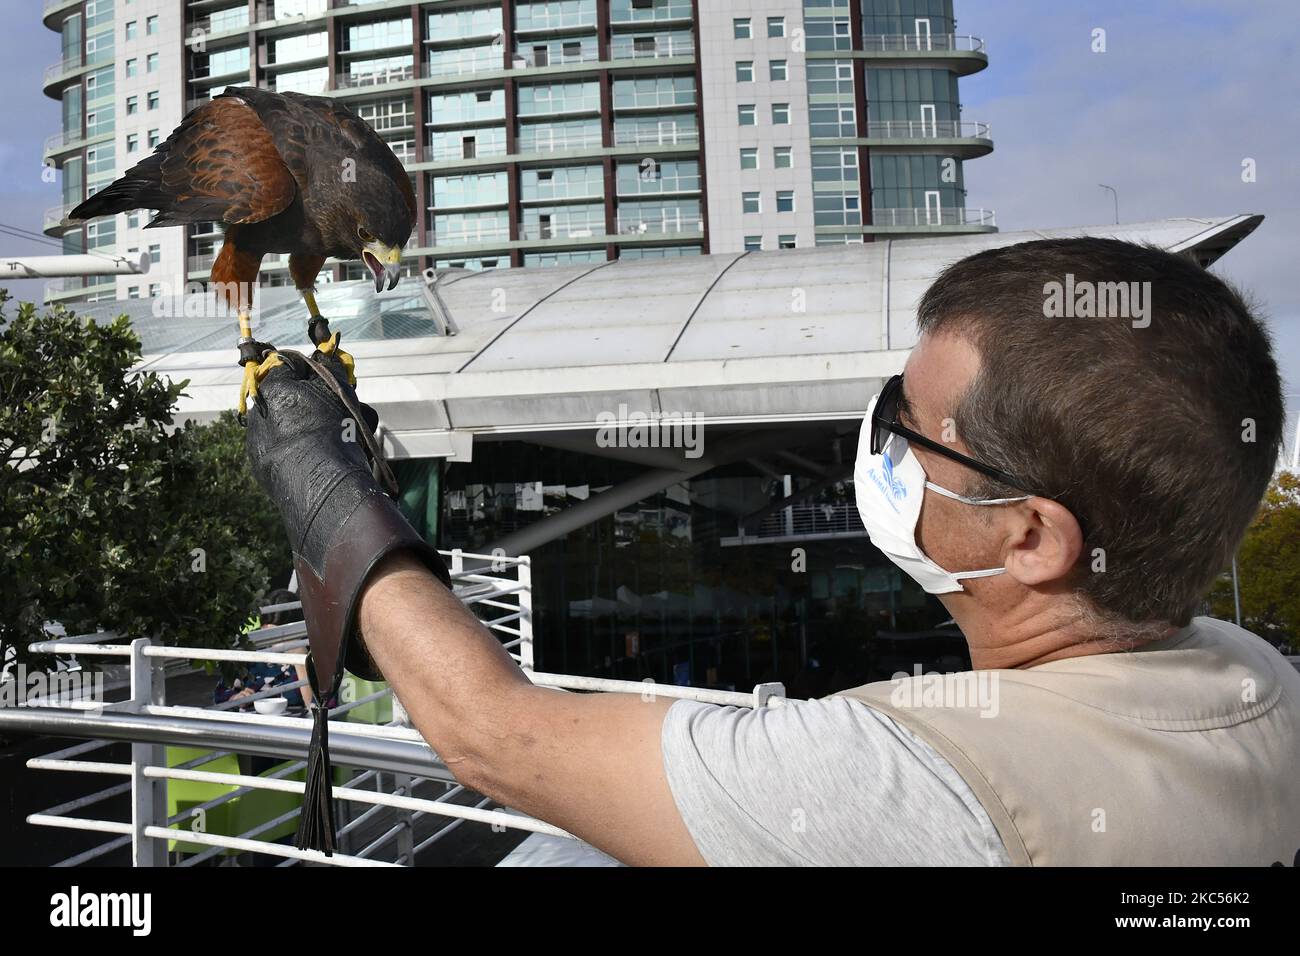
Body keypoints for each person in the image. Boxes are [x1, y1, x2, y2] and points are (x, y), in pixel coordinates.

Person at [244, 237, 1300, 866]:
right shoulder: (1258, 683)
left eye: (911, 424)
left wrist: (327, 491)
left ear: (1030, 537)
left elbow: (499, 739)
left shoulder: (911, 777)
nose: (878, 439)